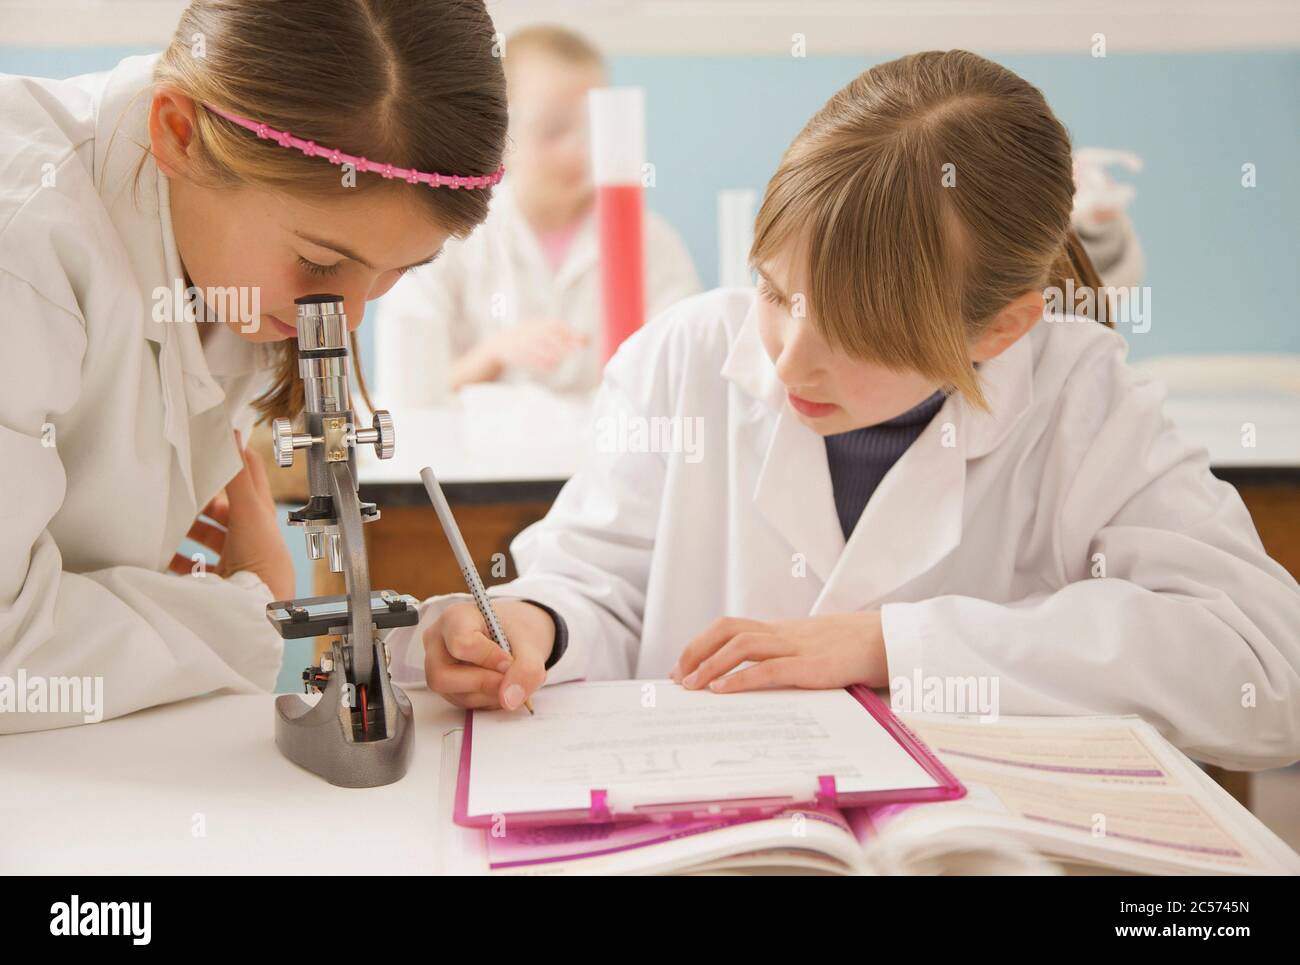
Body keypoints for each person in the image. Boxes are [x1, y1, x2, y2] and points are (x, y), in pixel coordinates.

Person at [395, 50, 1300, 771]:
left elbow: (1267, 672)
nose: (786, 356)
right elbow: (600, 584)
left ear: (1001, 330)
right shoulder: (686, 359)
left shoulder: (1081, 401)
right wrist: (532, 627)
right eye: (777, 292)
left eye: (860, 331)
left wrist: (892, 645)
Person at [0, 0, 508, 733]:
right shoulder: (24, 245)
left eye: (402, 269)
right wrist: (247, 609)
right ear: (178, 133)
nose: (352, 314)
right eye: (321, 260)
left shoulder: (221, 250)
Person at [372, 25, 700, 402]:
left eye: (593, 126)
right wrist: (491, 355)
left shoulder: (652, 243)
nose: (579, 149)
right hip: (479, 457)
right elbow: (406, 393)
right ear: (499, 133)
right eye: (553, 130)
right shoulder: (448, 240)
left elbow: (684, 376)